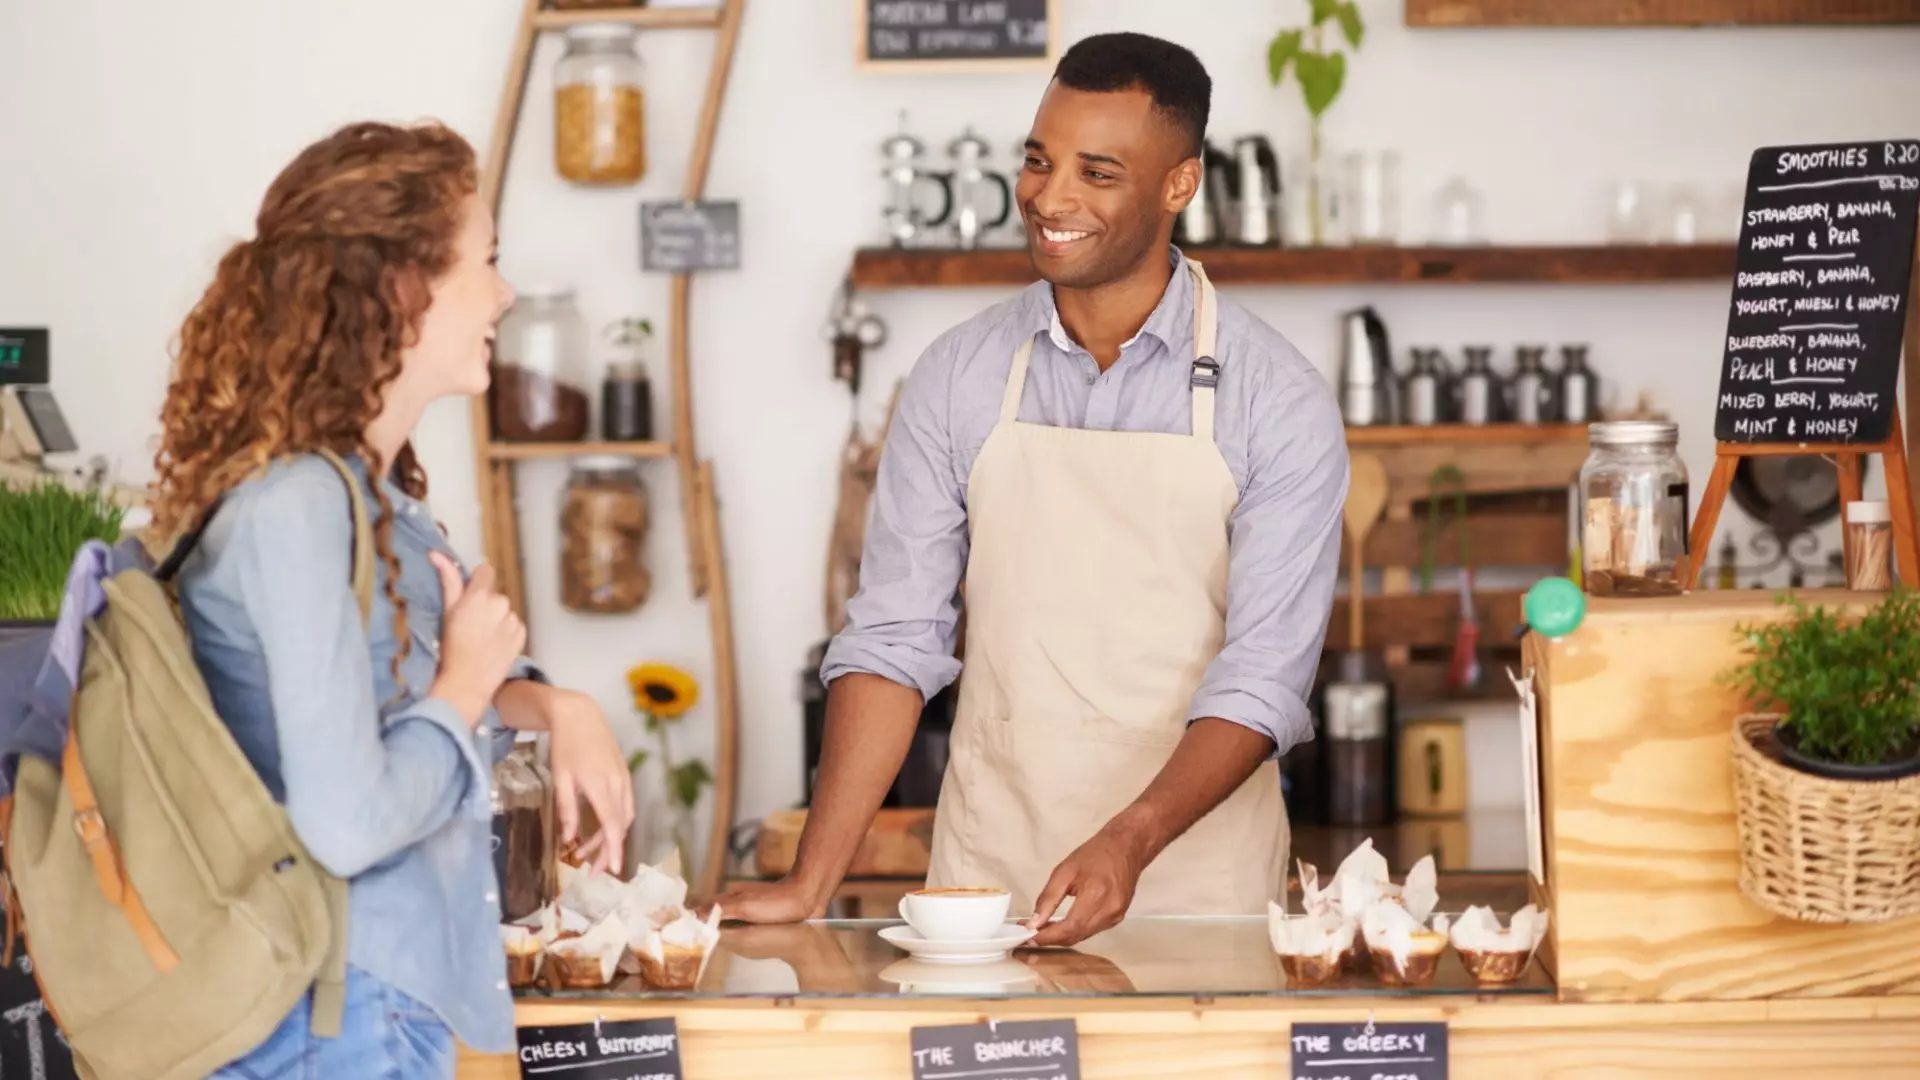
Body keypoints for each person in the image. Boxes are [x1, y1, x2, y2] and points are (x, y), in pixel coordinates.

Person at [716, 32, 1347, 947]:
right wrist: (812, 879)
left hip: (1197, 889)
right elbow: (894, 638)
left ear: (1179, 185)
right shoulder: (957, 377)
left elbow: (1262, 682)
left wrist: (1130, 840)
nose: (1050, 199)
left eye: (1097, 173)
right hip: (985, 892)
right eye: (1039, 160)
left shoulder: (1276, 400)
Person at [148, 121, 635, 1076]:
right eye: (486, 263)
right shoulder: (301, 505)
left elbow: (375, 706)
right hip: (331, 1021)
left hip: (361, 1007)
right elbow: (349, 822)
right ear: (405, 287)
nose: (504, 293)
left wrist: (535, 697)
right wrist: (466, 682)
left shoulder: (368, 499)